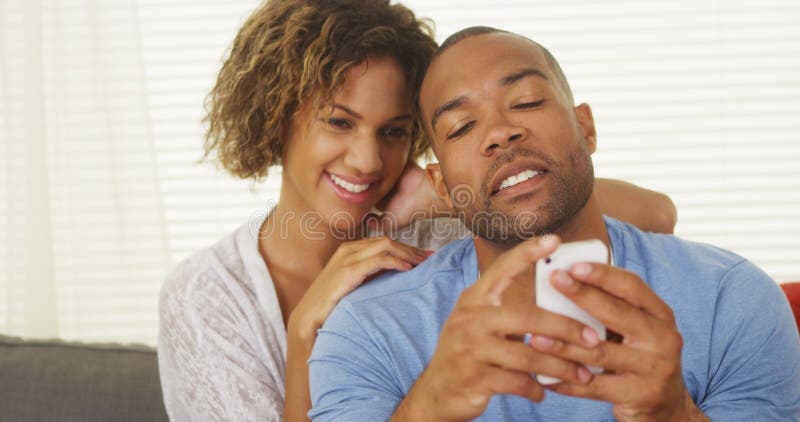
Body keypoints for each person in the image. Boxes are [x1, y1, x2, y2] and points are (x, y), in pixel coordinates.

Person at [156, 1, 677, 419]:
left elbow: (654, 214)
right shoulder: (209, 297)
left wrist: (441, 196)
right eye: (340, 122)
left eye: (394, 132)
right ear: (275, 118)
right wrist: (303, 335)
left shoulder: (443, 232)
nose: (367, 160)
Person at [307, 27, 800, 421]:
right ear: (440, 184)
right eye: (461, 127)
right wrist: (430, 406)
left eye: (526, 101)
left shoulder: (733, 300)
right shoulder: (369, 330)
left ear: (586, 127)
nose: (501, 132)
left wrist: (673, 415)